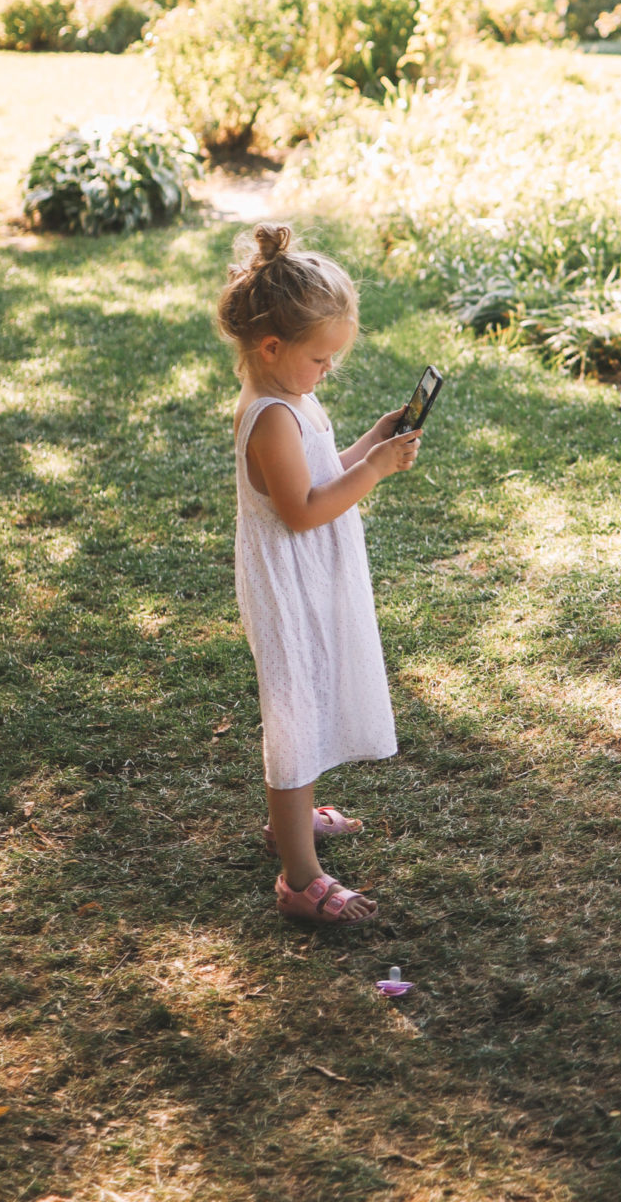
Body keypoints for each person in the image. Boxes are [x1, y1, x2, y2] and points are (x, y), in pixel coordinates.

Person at [218, 225, 421, 923]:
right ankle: (298, 875)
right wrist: (375, 469)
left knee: (309, 698)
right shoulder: (270, 416)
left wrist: (373, 439)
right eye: (320, 358)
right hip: (288, 584)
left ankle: (295, 817)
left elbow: (321, 470)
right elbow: (303, 510)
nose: (327, 370)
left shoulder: (293, 400)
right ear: (272, 348)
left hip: (309, 578)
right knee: (294, 714)